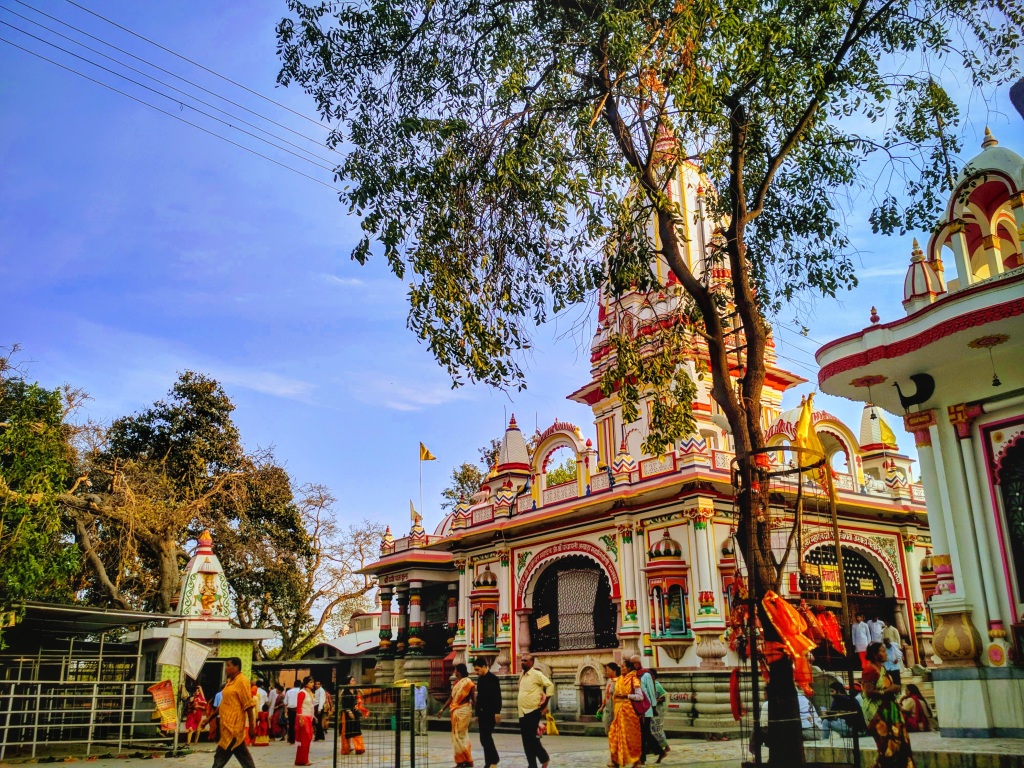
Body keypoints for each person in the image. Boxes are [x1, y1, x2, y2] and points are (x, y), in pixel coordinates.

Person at [862, 642, 914, 767]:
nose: (885, 654)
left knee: (899, 744)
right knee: (887, 747)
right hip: (878, 712)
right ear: (875, 655)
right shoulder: (870, 670)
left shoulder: (882, 668)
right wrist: (888, 690)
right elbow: (869, 692)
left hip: (890, 709)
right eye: (882, 651)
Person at [209, 657, 257, 768]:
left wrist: (251, 727)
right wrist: (208, 719)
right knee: (242, 755)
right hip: (226, 725)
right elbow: (223, 705)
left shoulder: (242, 681)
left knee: (221, 756)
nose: (226, 668)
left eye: (228, 666)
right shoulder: (230, 682)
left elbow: (248, 706)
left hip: (234, 727)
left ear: (236, 667)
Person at [517, 654, 554, 768]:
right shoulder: (522, 675)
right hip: (522, 711)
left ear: (532, 662)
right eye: (522, 660)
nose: (523, 662)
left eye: (526, 661)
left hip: (532, 711)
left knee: (532, 739)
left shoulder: (537, 674)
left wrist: (546, 701)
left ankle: (544, 758)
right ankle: (532, 764)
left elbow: (550, 685)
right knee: (526, 741)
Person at [629, 655, 666, 765]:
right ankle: (656, 752)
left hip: (647, 708)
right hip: (638, 708)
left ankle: (645, 757)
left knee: (644, 734)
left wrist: (653, 706)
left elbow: (650, 691)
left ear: (637, 663)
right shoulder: (634, 676)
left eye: (633, 664)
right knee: (644, 733)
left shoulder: (646, 675)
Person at [441, 663, 477, 768]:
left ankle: (464, 761)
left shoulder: (469, 683)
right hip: (455, 711)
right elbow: (451, 698)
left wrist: (479, 712)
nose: (454, 672)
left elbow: (473, 699)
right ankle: (464, 760)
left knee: (461, 736)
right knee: (457, 736)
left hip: (464, 711)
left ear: (459, 672)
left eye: (455, 670)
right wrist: (442, 709)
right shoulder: (457, 683)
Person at [609, 660, 642, 768]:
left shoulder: (634, 679)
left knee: (630, 738)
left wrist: (626, 696)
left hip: (629, 712)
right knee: (614, 736)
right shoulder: (619, 680)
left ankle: (636, 761)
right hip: (618, 711)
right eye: (621, 667)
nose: (621, 668)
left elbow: (639, 696)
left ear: (628, 669)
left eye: (623, 667)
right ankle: (616, 760)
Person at [473, 657, 502, 768]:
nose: (476, 672)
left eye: (477, 669)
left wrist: (497, 712)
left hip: (491, 712)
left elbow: (497, 696)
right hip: (482, 713)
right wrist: (477, 714)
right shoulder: (480, 680)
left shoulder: (493, 679)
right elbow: (479, 698)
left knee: (486, 737)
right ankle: (489, 761)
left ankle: (494, 759)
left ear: (484, 667)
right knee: (483, 738)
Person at [339, 675, 366, 756]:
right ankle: (346, 748)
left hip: (355, 711)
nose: (354, 682)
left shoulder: (355, 691)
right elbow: (343, 704)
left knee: (356, 730)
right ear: (349, 682)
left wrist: (359, 691)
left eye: (354, 680)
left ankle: (359, 748)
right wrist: (349, 712)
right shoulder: (345, 691)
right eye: (352, 681)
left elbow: (360, 699)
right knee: (347, 731)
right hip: (347, 712)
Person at [647, 670, 670, 761]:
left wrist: (655, 700)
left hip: (658, 710)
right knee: (653, 729)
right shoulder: (650, 685)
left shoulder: (657, 685)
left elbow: (664, 696)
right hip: (651, 710)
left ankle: (664, 747)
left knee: (657, 729)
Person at [599, 663, 619, 765]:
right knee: (609, 734)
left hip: (615, 712)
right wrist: (602, 707)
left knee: (615, 735)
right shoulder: (609, 681)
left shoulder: (619, 682)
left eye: (608, 670)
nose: (606, 672)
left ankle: (615, 758)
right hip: (607, 711)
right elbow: (606, 696)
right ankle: (613, 755)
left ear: (614, 670)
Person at [294, 677, 315, 766]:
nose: (312, 684)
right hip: (303, 717)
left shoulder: (310, 693)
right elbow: (298, 706)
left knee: (308, 739)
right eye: (311, 682)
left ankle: (302, 759)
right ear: (306, 683)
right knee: (304, 739)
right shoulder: (302, 693)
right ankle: (303, 760)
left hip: (309, 717)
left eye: (312, 682)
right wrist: (300, 718)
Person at [286, 680, 301, 744]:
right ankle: (298, 738)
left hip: (290, 709)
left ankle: (291, 739)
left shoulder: (289, 691)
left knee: (291, 724)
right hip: (298, 709)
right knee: (299, 724)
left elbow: (285, 702)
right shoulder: (301, 691)